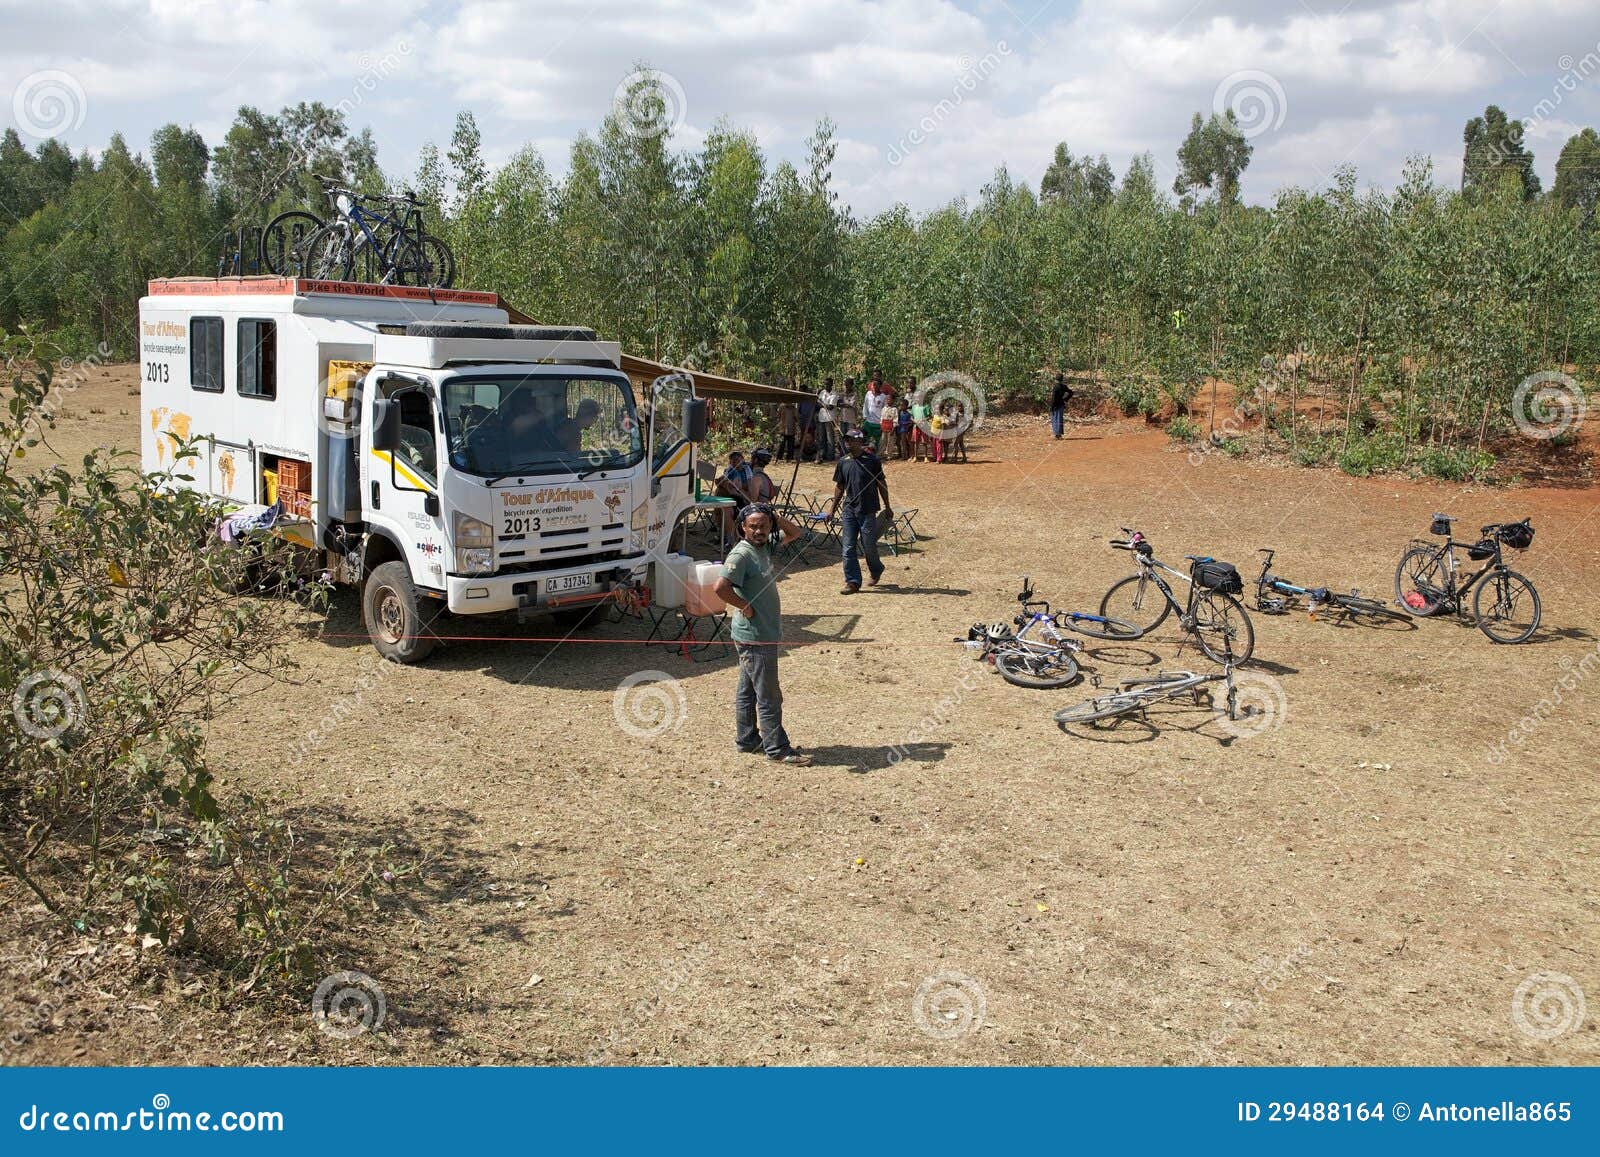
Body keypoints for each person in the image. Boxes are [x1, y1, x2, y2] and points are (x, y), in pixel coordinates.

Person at [714, 503, 812, 766]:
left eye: (763, 526)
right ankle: (778, 749)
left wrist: (774, 515)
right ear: (743, 527)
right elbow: (720, 588)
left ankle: (747, 740)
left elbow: (795, 533)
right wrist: (744, 606)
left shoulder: (764, 546)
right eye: (753, 526)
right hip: (754, 636)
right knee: (769, 695)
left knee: (748, 690)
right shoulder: (741, 555)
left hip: (763, 632)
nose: (758, 530)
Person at [829, 428, 892, 594]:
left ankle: (876, 569)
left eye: (851, 440)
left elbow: (881, 484)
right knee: (848, 547)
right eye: (846, 440)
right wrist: (832, 509)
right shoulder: (843, 462)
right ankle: (853, 582)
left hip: (868, 509)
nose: (848, 442)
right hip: (849, 509)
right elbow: (840, 486)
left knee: (868, 545)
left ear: (860, 441)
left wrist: (888, 506)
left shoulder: (872, 461)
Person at [816, 378, 839, 461]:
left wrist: (821, 403)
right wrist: (823, 404)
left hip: (830, 418)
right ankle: (823, 455)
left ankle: (830, 456)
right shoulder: (822, 393)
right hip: (821, 418)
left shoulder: (835, 394)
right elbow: (817, 405)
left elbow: (831, 407)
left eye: (828, 384)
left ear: (831, 384)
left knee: (830, 439)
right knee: (822, 438)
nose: (826, 385)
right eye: (825, 384)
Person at [1049, 373, 1074, 440]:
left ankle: (1057, 435)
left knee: (1055, 420)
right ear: (1062, 379)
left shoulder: (1055, 387)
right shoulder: (1063, 386)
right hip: (1061, 404)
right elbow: (1071, 392)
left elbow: (1054, 398)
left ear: (1055, 379)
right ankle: (1059, 435)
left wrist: (1051, 406)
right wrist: (1065, 399)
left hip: (1056, 406)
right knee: (1059, 419)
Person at [909, 387, 930, 462]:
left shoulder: (926, 406)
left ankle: (926, 457)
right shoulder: (914, 407)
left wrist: (923, 420)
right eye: (917, 397)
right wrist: (914, 421)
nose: (918, 399)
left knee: (924, 442)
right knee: (916, 442)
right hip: (916, 426)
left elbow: (929, 416)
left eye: (920, 397)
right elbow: (911, 416)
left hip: (924, 427)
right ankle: (915, 457)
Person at [861, 380, 882, 451]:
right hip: (869, 421)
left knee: (877, 439)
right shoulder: (868, 394)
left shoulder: (883, 396)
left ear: (880, 386)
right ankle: (867, 452)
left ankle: (877, 453)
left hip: (878, 422)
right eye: (874, 385)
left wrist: (882, 421)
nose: (875, 386)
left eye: (877, 385)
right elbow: (865, 405)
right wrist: (864, 416)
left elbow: (884, 409)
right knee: (867, 438)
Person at [879, 394, 900, 460]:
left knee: (890, 442)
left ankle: (889, 455)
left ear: (893, 400)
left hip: (891, 427)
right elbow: (881, 418)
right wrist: (881, 426)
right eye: (887, 399)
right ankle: (881, 454)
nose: (888, 400)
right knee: (882, 441)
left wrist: (893, 429)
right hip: (884, 426)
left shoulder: (894, 409)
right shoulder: (883, 408)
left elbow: (895, 419)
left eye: (889, 399)